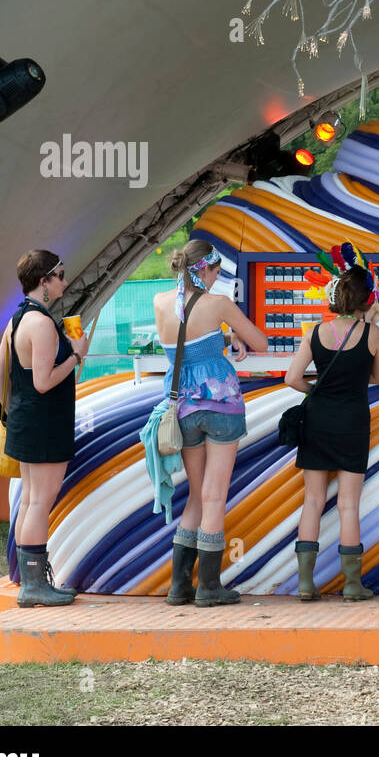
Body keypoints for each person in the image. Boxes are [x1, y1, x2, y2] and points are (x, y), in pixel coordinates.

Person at [152, 240, 267, 607]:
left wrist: (223, 335)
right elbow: (260, 342)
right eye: (216, 272)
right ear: (205, 269)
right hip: (220, 406)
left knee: (198, 497)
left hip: (181, 407)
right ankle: (210, 587)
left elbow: (185, 342)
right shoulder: (218, 304)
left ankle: (179, 585)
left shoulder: (160, 303)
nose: (218, 279)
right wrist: (231, 332)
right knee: (215, 496)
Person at [285, 257, 379, 601]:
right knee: (348, 505)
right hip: (353, 422)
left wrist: (316, 391)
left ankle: (304, 583)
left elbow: (291, 378)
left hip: (317, 421)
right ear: (367, 300)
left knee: (312, 501)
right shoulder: (371, 333)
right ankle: (352, 584)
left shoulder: (315, 332)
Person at [0, 250, 91, 607]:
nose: (65, 281)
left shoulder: (15, 319)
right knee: (38, 504)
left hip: (24, 421)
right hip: (46, 424)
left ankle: (28, 581)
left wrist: (15, 411)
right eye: (60, 275)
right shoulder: (43, 324)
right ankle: (34, 585)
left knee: (31, 502)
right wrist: (77, 355)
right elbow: (45, 382)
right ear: (43, 281)